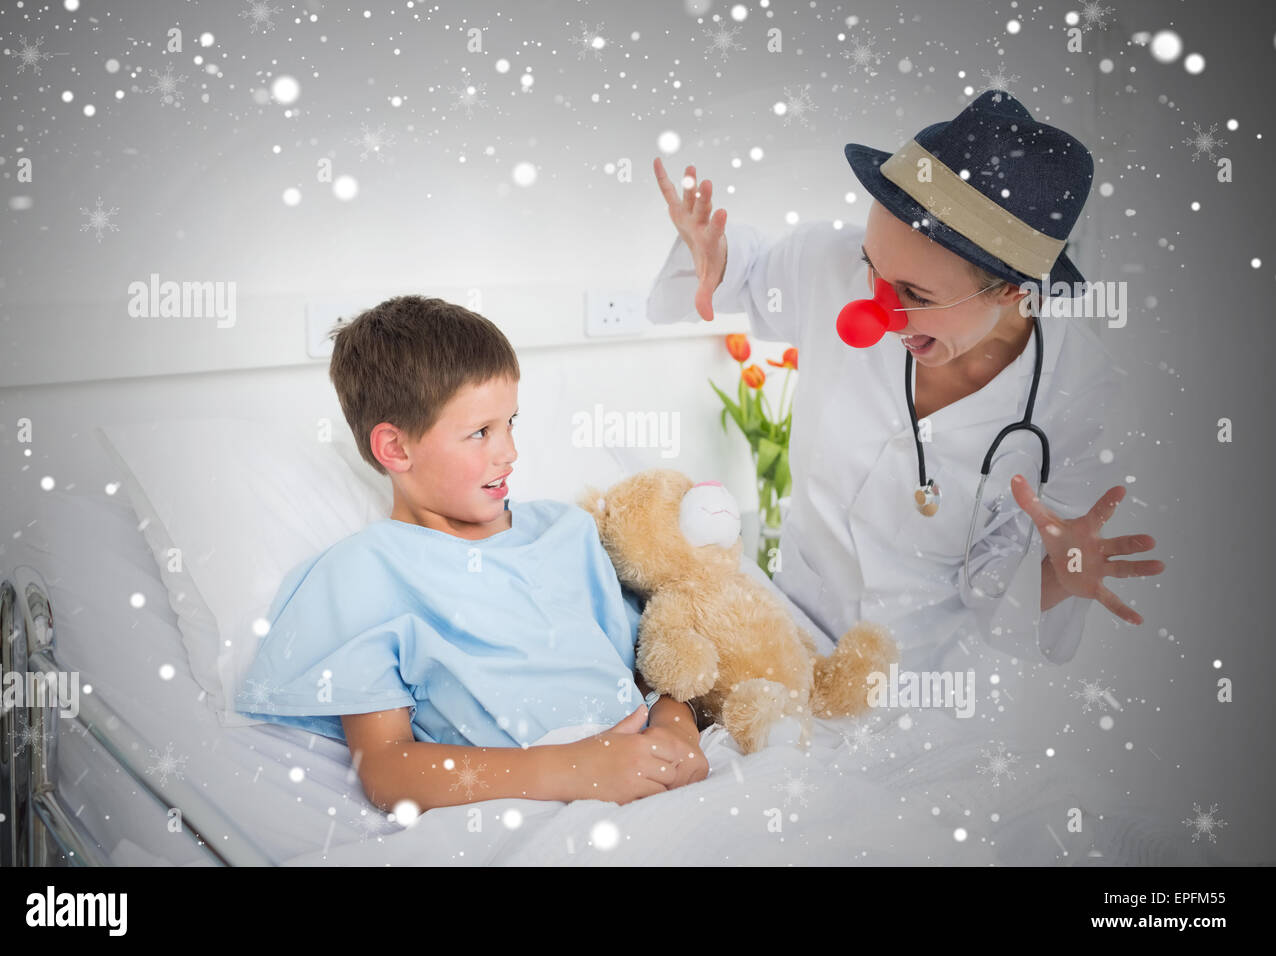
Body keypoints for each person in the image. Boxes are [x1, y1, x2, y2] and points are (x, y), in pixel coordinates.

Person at [646, 91, 1164, 675]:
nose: (877, 310)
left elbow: (1034, 590)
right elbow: (750, 266)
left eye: (917, 296)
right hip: (790, 637)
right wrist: (716, 259)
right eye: (872, 266)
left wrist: (1062, 577)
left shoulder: (1082, 396)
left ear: (1018, 292)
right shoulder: (830, 265)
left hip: (930, 679)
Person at [234, 295, 708, 812]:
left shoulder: (566, 532)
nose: (509, 452)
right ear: (395, 449)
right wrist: (578, 769)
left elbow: (653, 672)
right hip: (533, 803)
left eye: (511, 423)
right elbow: (388, 769)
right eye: (480, 432)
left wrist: (676, 729)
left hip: (660, 777)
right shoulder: (363, 573)